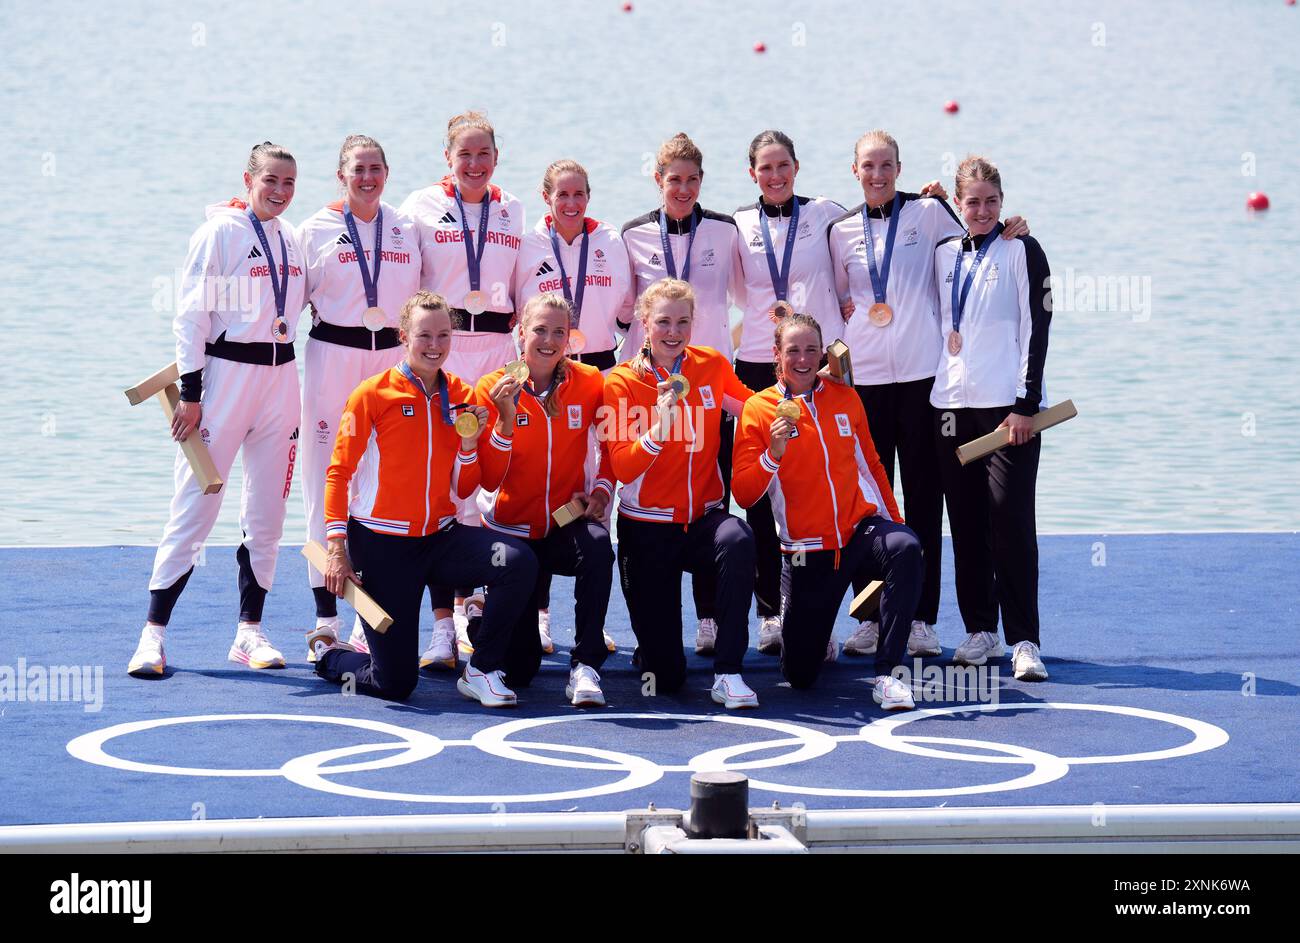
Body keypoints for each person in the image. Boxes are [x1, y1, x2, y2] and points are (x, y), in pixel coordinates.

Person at [828, 129, 1027, 661]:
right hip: (862, 386)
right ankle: (869, 615)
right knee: (866, 505)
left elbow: (981, 243)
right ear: (855, 171)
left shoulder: (929, 213)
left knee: (922, 502)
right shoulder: (840, 231)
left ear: (899, 168)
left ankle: (919, 618)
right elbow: (838, 305)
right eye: (868, 166)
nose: (877, 174)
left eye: (887, 165)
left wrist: (1013, 228)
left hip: (923, 384)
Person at [129, 142, 306, 677]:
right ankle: (153, 636)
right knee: (195, 505)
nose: (279, 191)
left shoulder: (292, 240)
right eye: (270, 180)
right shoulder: (219, 232)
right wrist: (191, 391)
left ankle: (249, 633)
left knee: (269, 512)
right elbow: (190, 315)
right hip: (225, 377)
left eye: (289, 183)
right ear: (248, 178)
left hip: (281, 380)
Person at [310, 291, 538, 705]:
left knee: (518, 562)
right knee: (395, 683)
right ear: (403, 336)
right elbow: (338, 473)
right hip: (383, 546)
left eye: (443, 335)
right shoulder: (373, 394)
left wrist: (471, 443)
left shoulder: (462, 395)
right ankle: (329, 656)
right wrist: (336, 547)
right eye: (424, 335)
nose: (435, 345)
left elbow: (468, 488)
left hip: (439, 539)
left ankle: (482, 669)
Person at [732, 312, 923, 709]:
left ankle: (887, 673)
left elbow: (872, 465)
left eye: (811, 350)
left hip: (859, 532)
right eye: (793, 351)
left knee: (905, 548)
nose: (803, 359)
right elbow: (745, 494)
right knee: (800, 676)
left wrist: (896, 526)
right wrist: (773, 454)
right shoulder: (758, 409)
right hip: (807, 550)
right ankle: (815, 636)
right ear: (776, 355)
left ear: (822, 353)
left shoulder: (845, 397)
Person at [399, 111, 525, 656]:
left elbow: (527, 290)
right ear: (447, 159)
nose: (474, 164)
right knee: (444, 483)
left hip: (497, 349)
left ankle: (487, 608)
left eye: (484, 154)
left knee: (495, 475)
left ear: (496, 158)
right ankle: (443, 624)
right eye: (464, 155)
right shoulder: (419, 207)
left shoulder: (514, 209)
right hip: (442, 351)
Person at [602, 278, 759, 708]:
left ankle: (728, 671)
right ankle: (653, 649)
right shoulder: (621, 382)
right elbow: (621, 465)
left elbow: (751, 408)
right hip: (646, 528)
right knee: (666, 677)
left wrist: (801, 398)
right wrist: (658, 430)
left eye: (683, 322)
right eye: (664, 322)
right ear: (644, 324)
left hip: (702, 521)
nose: (673, 332)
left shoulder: (711, 364)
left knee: (739, 538)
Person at [619, 132, 746, 656]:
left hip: (709, 383)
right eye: (674, 179)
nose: (684, 188)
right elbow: (621, 311)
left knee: (710, 495)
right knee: (655, 479)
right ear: (658, 179)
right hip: (650, 386)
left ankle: (712, 618)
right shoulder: (632, 234)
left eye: (693, 179)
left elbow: (757, 292)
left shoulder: (724, 230)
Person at [297, 134, 422, 659]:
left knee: (380, 481)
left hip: (388, 360)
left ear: (387, 173)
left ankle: (362, 616)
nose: (367, 177)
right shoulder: (314, 229)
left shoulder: (405, 227)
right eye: (357, 169)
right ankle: (325, 617)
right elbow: (278, 300)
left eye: (375, 168)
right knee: (325, 476)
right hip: (334, 353)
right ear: (341, 175)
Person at [932, 156, 1052, 681]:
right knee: (966, 525)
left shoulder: (1022, 249)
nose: (981, 210)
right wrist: (930, 199)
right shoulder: (943, 253)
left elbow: (1038, 327)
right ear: (959, 205)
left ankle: (1025, 639)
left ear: (1003, 202)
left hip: (1007, 410)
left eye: (991, 201)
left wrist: (1026, 405)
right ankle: (981, 630)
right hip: (951, 406)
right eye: (972, 202)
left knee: (1011, 522)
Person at [732, 130, 846, 657]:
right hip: (758, 365)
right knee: (759, 492)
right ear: (751, 172)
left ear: (797, 167)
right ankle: (770, 612)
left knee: (817, 484)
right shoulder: (738, 225)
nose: (774, 176)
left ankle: (828, 612)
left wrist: (932, 201)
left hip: (812, 363)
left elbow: (877, 224)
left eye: (783, 166)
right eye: (764, 168)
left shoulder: (826, 213)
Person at [474, 293, 617, 705]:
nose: (549, 340)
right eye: (539, 329)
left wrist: (603, 489)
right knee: (521, 671)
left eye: (559, 331)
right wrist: (503, 420)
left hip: (561, 524)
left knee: (597, 546)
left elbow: (610, 445)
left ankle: (586, 666)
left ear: (570, 338)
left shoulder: (590, 381)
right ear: (521, 332)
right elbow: (485, 475)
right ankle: (481, 618)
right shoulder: (493, 386)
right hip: (510, 533)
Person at [513, 159, 631, 654]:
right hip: (542, 369)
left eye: (579, 193)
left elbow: (627, 312)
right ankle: (538, 618)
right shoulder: (527, 244)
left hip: (597, 372)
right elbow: (519, 314)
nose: (571, 203)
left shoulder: (610, 242)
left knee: (595, 491)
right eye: (562, 194)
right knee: (542, 482)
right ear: (546, 197)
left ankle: (591, 622)